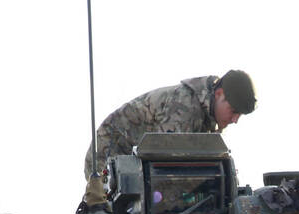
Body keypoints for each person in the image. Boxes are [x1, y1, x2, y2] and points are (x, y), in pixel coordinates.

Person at [86, 70, 257, 178]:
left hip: (134, 163)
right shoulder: (184, 107)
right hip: (108, 157)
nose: (235, 119)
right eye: (234, 111)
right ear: (219, 94)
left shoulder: (205, 116)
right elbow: (167, 167)